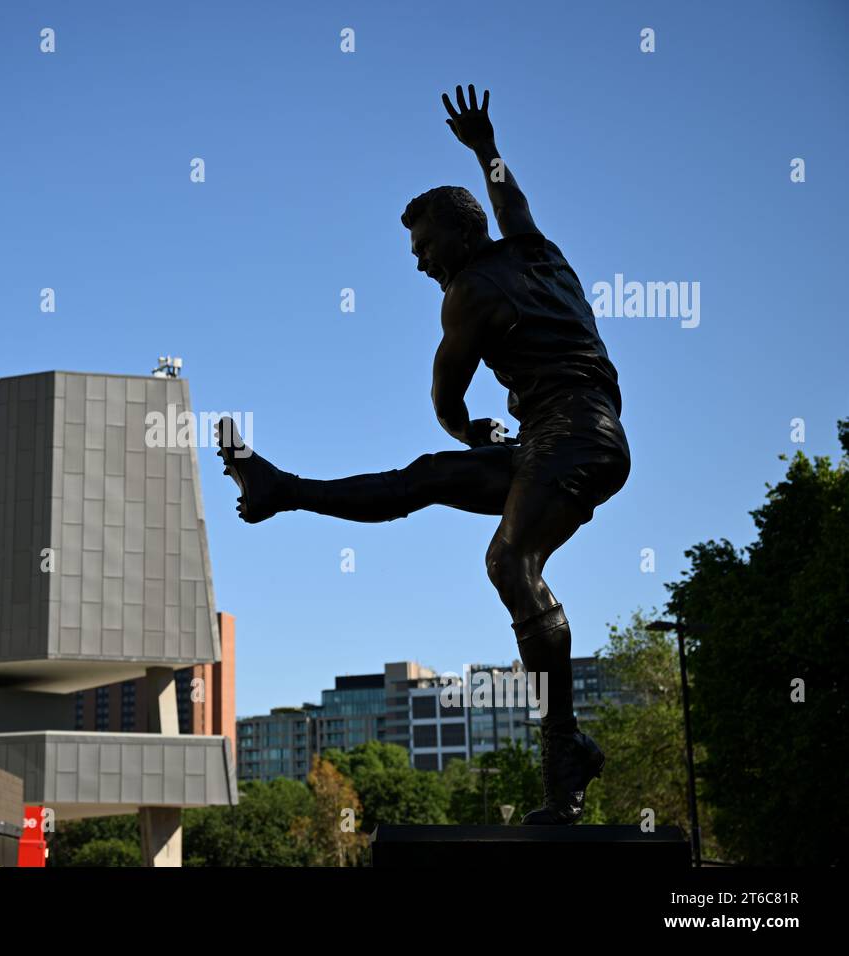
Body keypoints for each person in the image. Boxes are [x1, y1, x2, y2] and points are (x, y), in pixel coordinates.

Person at [215, 85, 631, 825]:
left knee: (509, 563)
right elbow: (512, 202)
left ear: (457, 239)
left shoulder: (468, 291)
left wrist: (469, 426)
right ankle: (283, 489)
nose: (418, 263)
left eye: (423, 246)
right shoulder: (537, 250)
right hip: (566, 435)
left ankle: (562, 748)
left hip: (574, 436)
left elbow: (445, 396)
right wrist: (485, 148)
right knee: (429, 480)